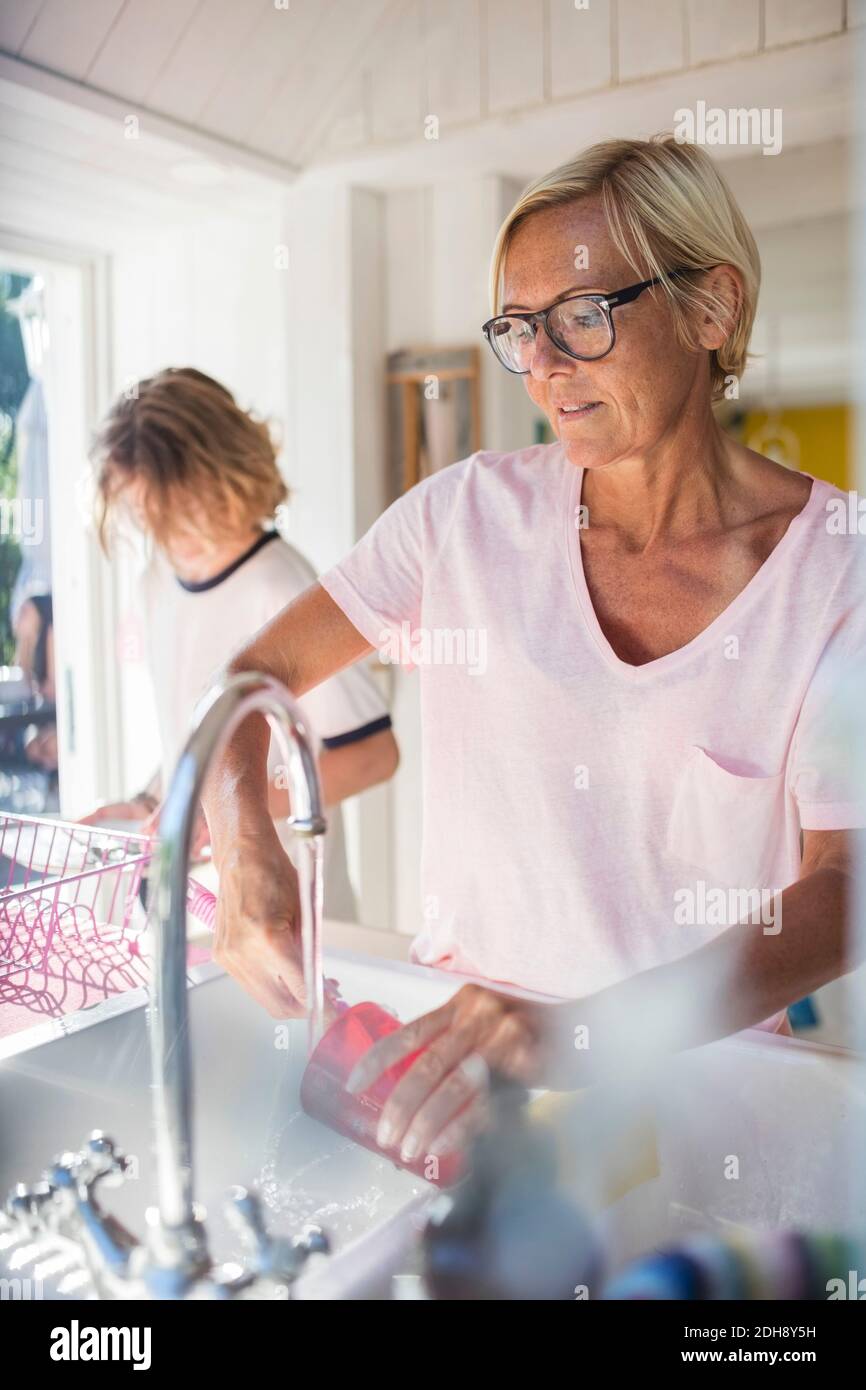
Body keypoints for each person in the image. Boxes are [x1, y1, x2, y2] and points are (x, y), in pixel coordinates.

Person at [200, 137, 866, 1167]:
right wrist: (247, 845)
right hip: (452, 1091)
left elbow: (842, 889)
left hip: (700, 1115)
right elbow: (251, 682)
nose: (544, 364)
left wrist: (578, 1036)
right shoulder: (461, 517)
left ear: (710, 309)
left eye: (583, 316)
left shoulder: (837, 570)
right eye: (519, 329)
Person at [83, 367, 398, 922]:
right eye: (141, 515)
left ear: (217, 475)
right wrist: (153, 804)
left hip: (298, 907)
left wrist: (228, 809)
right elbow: (194, 734)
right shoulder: (157, 579)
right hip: (204, 906)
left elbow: (371, 756)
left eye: (169, 511)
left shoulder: (280, 584)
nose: (158, 533)